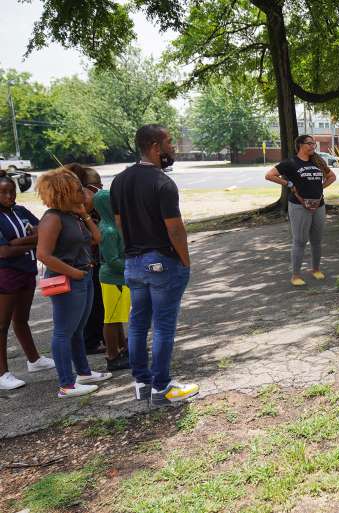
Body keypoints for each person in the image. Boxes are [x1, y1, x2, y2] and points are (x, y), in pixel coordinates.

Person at [111, 124, 197, 406]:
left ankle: (142, 383)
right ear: (155, 147)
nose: (172, 148)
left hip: (133, 262)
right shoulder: (162, 183)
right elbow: (174, 229)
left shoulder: (119, 181)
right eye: (169, 143)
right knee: (162, 325)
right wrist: (184, 261)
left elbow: (120, 223)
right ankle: (162, 387)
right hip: (161, 261)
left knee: (137, 324)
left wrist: (133, 250)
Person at [35, 168, 112, 398]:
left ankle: (84, 372)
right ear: (65, 192)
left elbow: (97, 238)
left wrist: (85, 215)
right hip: (68, 280)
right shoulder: (52, 218)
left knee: (78, 329)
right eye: (78, 190)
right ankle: (66, 385)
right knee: (63, 332)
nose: (83, 193)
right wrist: (73, 273)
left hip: (83, 276)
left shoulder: (73, 215)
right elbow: (43, 254)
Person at [0, 176, 55, 390]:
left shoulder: (20, 211)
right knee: (2, 324)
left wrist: (16, 242)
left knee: (21, 319)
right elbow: (3, 251)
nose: (9, 196)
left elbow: (45, 230)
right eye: (3, 192)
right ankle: (3, 372)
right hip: (6, 274)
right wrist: (32, 240)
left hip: (26, 269)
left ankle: (34, 360)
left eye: (11, 191)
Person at [265, 134, 337, 286]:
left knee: (317, 240)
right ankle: (295, 275)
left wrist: (320, 188)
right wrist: (289, 184)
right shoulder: (291, 162)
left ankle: (315, 269)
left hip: (319, 205)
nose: (313, 146)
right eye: (309, 143)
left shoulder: (317, 161)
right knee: (300, 240)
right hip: (299, 205)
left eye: (314, 144)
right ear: (300, 145)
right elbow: (269, 175)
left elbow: (332, 176)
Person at [65, 164, 106, 356]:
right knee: (93, 306)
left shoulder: (91, 203)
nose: (99, 189)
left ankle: (103, 337)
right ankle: (91, 341)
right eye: (96, 185)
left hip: (96, 259)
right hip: (86, 261)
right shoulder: (77, 205)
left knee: (100, 302)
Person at [93, 188, 130, 371]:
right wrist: (131, 268)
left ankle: (123, 348)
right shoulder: (107, 230)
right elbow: (112, 260)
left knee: (117, 317)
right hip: (112, 278)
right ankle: (112, 355)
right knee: (110, 318)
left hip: (119, 278)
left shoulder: (112, 225)